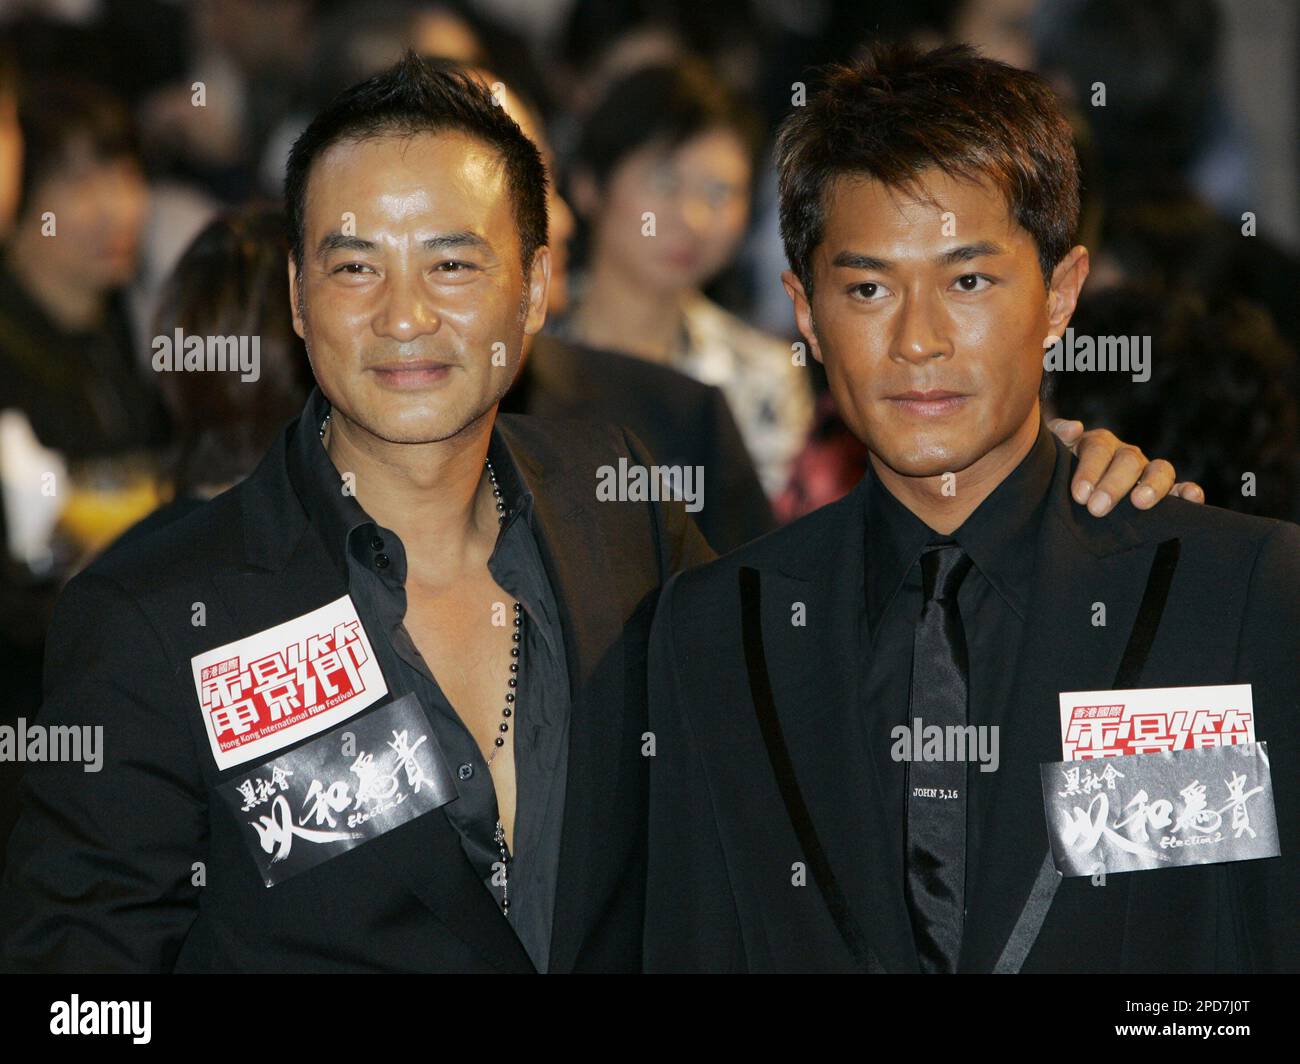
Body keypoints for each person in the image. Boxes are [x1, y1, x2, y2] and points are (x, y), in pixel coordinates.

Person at [0, 51, 1189, 975]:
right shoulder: (161, 610)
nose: (404, 315)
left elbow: (836, 658)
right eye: (355, 266)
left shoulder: (618, 511)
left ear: (534, 289)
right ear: (300, 300)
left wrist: (1052, 496)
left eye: (453, 263)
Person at [644, 43, 1298, 973]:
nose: (918, 341)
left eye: (968, 281)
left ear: (1061, 295)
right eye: (868, 288)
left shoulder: (1228, 597)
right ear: (806, 312)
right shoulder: (717, 631)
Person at [559, 58, 815, 499]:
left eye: (719, 193)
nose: (692, 219)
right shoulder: (522, 346)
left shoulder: (764, 375)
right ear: (589, 185)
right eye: (664, 181)